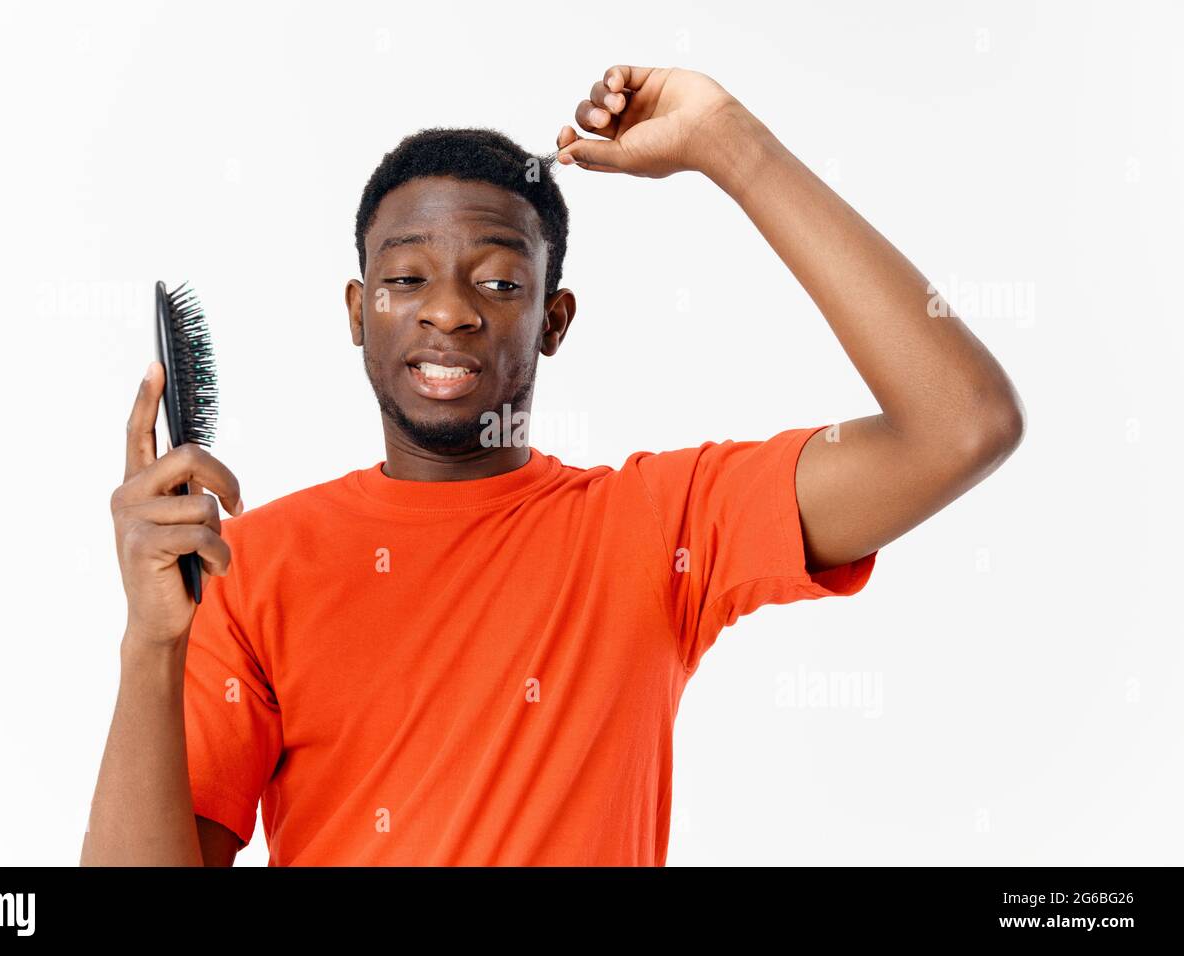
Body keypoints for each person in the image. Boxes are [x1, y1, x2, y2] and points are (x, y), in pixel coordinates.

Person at [82, 65, 1024, 866]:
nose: (448, 310)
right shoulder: (250, 568)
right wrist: (150, 647)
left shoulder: (659, 527)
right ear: (357, 310)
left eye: (498, 280)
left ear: (555, 320)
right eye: (406, 277)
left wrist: (734, 147)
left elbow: (960, 425)